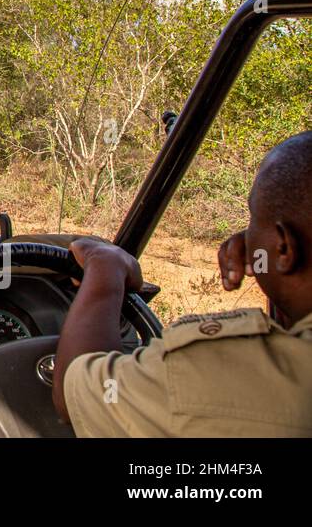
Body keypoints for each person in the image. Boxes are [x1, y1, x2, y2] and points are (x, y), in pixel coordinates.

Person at [54, 131, 312, 436]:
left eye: (253, 219)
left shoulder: (206, 376)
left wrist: (105, 269)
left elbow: (77, 391)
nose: (246, 233)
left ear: (284, 247)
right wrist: (270, 259)